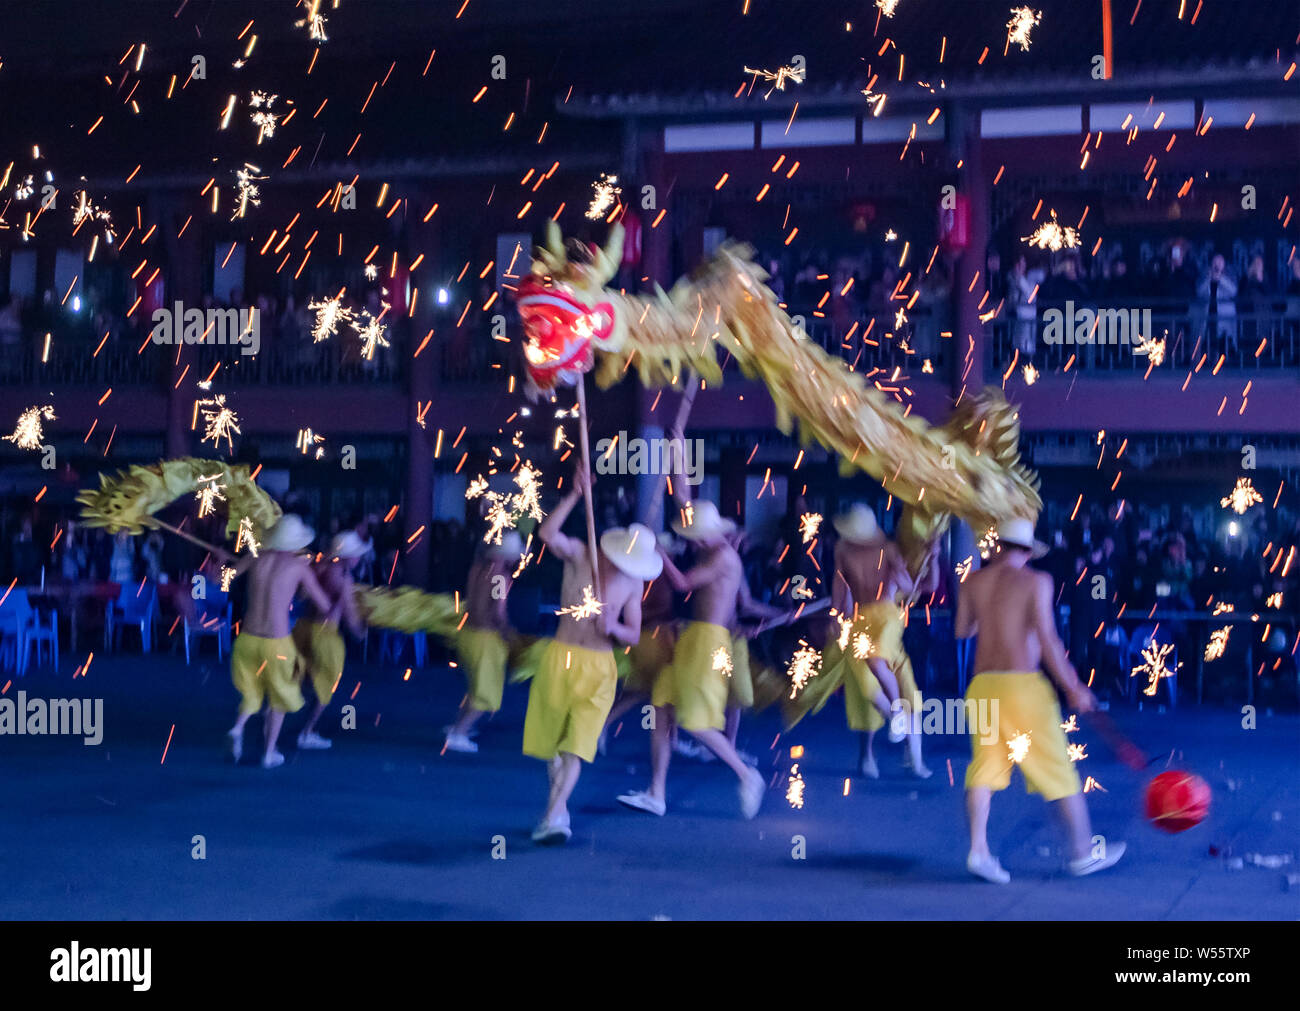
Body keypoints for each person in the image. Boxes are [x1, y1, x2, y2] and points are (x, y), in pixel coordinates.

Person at [956, 517, 1126, 883]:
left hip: (984, 685)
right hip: (1022, 688)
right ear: (1030, 551)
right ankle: (1082, 854)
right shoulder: (1037, 581)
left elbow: (962, 630)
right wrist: (1073, 686)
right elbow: (1048, 638)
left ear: (997, 546)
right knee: (1057, 769)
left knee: (984, 769)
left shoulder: (974, 581)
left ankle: (978, 850)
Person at [523, 475, 659, 843]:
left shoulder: (632, 583)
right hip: (561, 658)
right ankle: (558, 809)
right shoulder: (582, 554)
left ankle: (553, 816)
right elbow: (547, 535)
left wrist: (612, 625)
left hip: (599, 667)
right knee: (552, 747)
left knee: (576, 747)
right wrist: (575, 493)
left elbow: (633, 633)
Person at [617, 499, 768, 819]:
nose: (687, 540)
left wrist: (659, 553)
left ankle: (746, 775)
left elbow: (682, 584)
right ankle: (656, 794)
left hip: (708, 643)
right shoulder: (710, 551)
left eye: (690, 535)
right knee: (661, 704)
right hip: (692, 637)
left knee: (694, 722)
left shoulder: (724, 556)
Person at [784, 504, 931, 778]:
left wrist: (910, 574)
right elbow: (840, 585)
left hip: (886, 616)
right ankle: (877, 743)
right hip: (858, 619)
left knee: (886, 670)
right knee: (865, 685)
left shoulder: (888, 549)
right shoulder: (842, 549)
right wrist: (836, 616)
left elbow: (913, 590)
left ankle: (916, 758)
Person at [222, 515, 333, 769]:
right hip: (276, 642)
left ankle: (238, 728)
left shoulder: (256, 557)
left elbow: (222, 580)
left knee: (252, 693)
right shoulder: (298, 567)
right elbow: (324, 605)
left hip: (247, 639)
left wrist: (221, 562)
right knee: (279, 698)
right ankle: (269, 754)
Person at [443, 531, 523, 754]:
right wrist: (510, 634)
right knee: (487, 695)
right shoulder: (500, 577)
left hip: (467, 635)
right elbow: (498, 612)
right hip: (485, 639)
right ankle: (458, 733)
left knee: (475, 687)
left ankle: (459, 726)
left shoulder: (478, 568)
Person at [291, 531, 367, 751]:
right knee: (326, 684)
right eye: (356, 555)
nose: (359, 559)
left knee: (296, 677)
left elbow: (302, 595)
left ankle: (271, 719)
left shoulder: (317, 567)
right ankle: (307, 732)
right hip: (325, 634)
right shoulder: (343, 579)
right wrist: (361, 633)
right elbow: (351, 616)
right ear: (347, 556)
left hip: (302, 628)